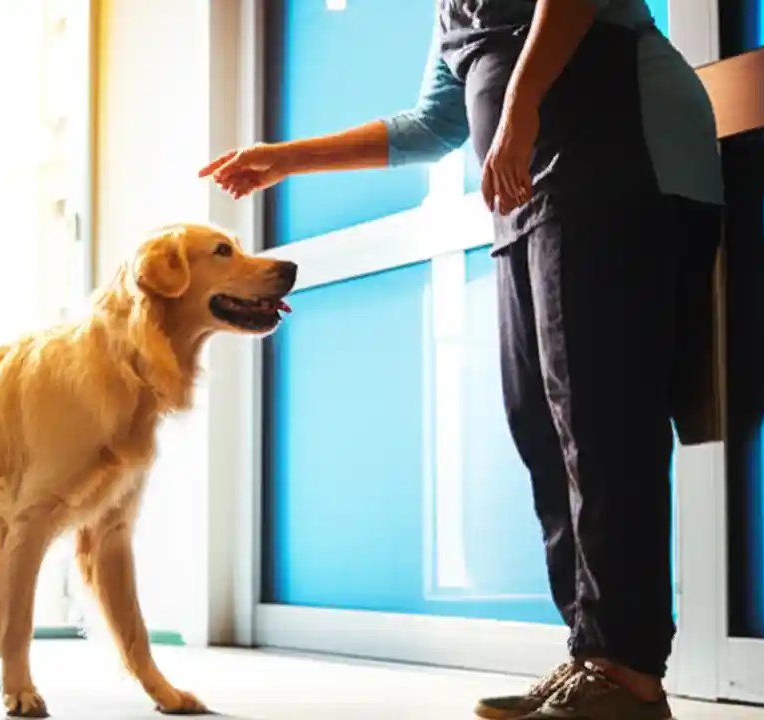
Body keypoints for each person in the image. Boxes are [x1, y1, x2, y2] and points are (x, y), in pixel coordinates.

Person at [201, 1, 724, 719]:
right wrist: (284, 160)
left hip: (621, 161)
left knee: (602, 418)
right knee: (541, 424)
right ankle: (591, 652)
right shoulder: (453, 10)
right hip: (530, 188)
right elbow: (435, 124)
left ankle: (626, 666)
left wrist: (518, 109)